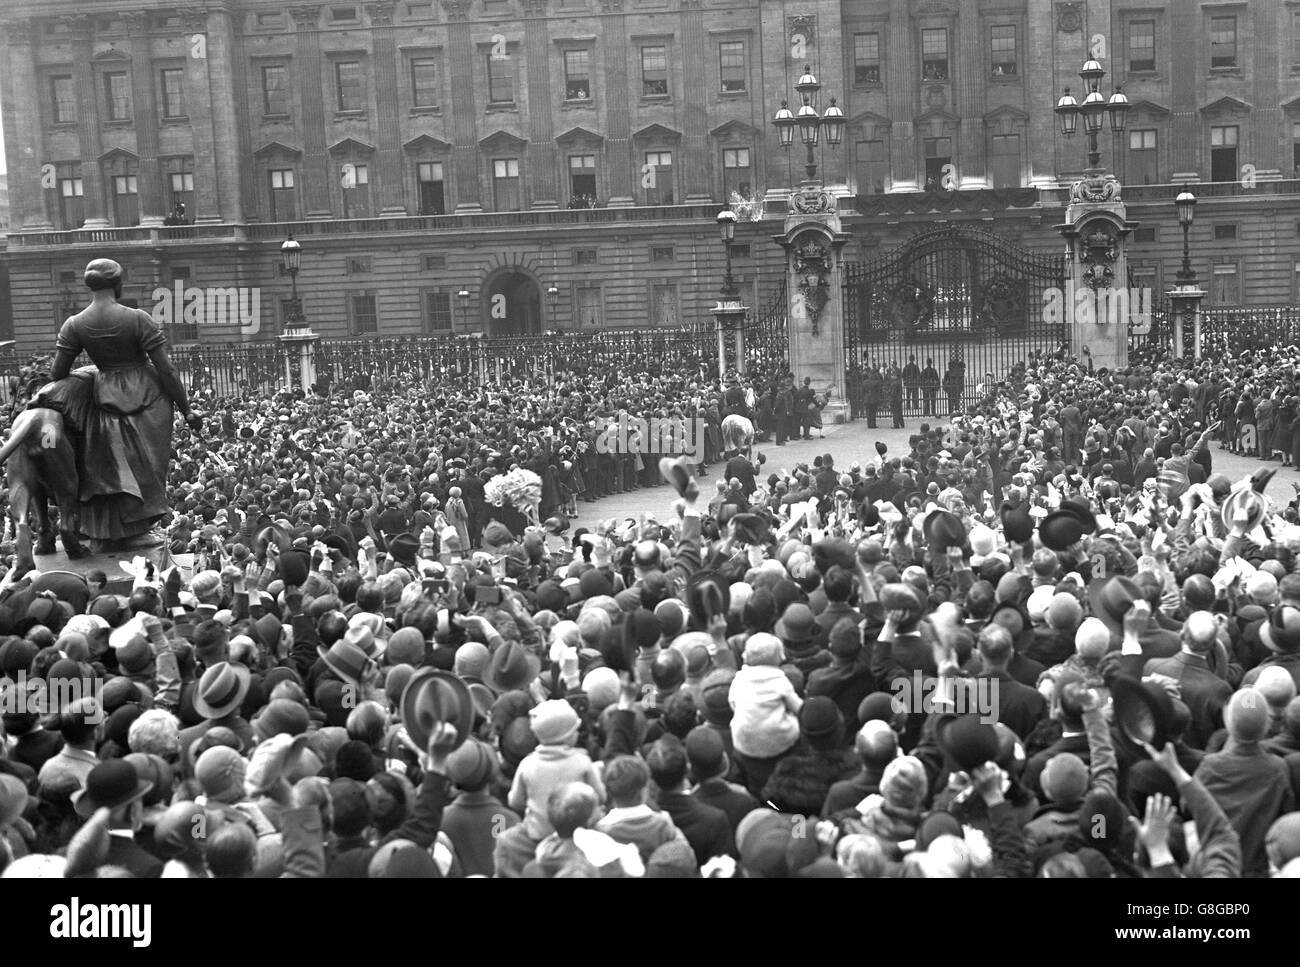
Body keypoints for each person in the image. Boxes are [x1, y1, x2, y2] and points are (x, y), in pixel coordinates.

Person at [36, 259, 201, 548]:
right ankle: (138, 529)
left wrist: (89, 373)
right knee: (147, 465)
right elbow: (167, 370)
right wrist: (187, 409)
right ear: (117, 284)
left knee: (110, 464)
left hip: (104, 397)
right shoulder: (138, 318)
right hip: (148, 397)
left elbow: (57, 374)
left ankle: (105, 528)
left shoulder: (74, 323)